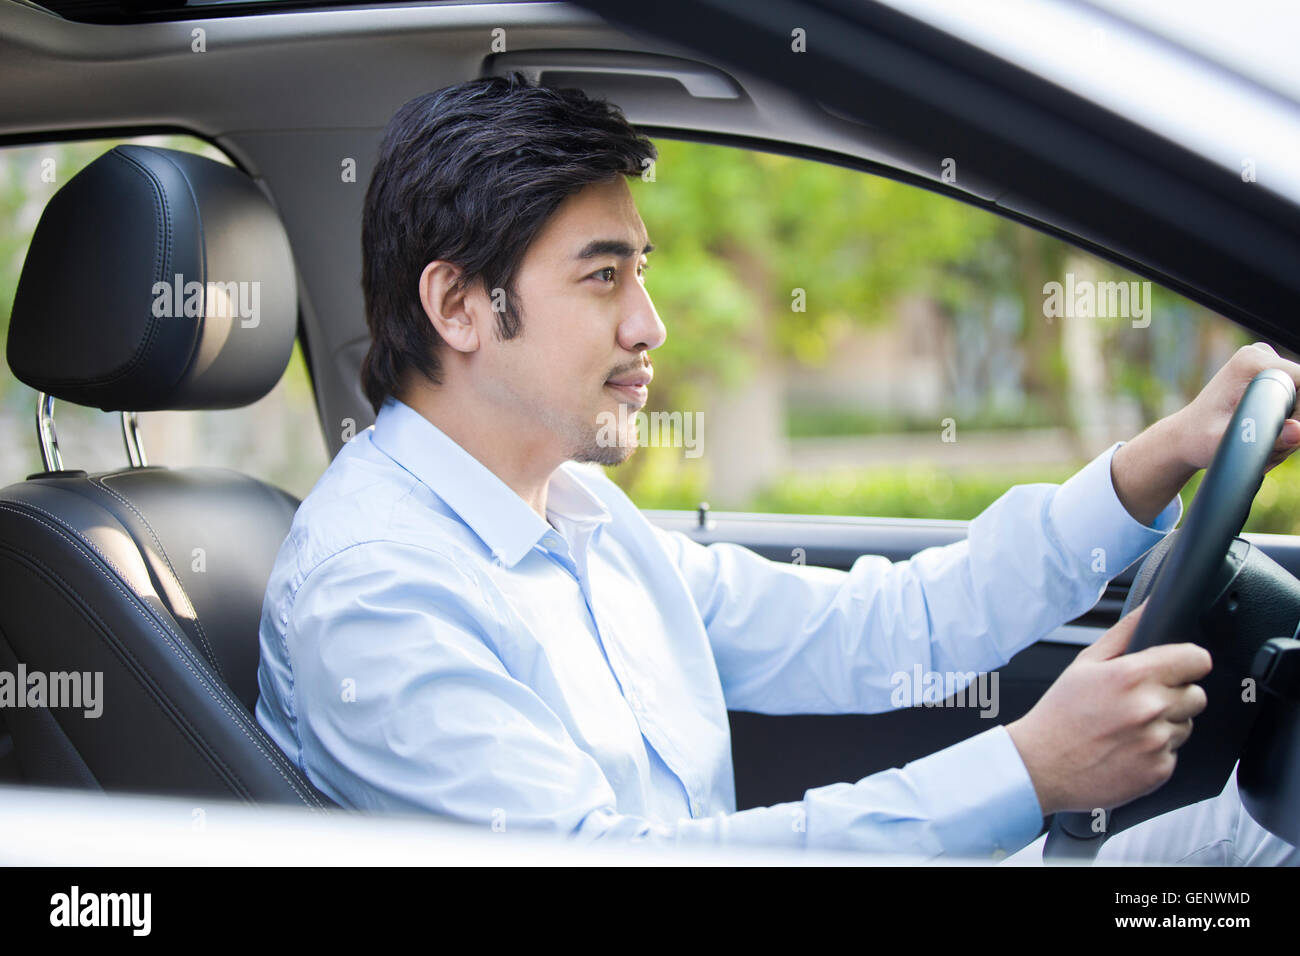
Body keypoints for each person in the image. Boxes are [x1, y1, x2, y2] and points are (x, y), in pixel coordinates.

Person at [255, 72, 1300, 862]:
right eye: (603, 276)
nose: (649, 322)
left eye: (643, 271)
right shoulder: (376, 586)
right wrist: (1028, 769)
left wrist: (1154, 461)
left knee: (1256, 844)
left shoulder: (576, 511)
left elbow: (875, 629)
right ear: (458, 306)